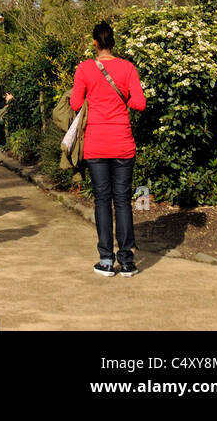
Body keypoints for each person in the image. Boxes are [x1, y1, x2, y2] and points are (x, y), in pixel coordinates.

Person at [69, 20, 147, 278]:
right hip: (123, 143)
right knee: (123, 200)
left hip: (96, 144)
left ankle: (105, 259)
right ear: (113, 42)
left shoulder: (85, 68)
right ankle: (126, 260)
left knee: (102, 200)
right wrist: (122, 97)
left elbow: (75, 102)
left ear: (94, 42)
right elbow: (139, 104)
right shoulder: (127, 68)